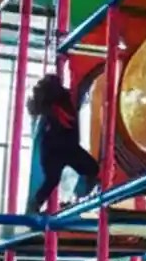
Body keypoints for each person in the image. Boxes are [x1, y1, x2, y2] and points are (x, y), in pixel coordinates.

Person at [26, 74, 99, 214]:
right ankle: (79, 197)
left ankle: (36, 207)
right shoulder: (59, 102)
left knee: (52, 180)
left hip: (56, 149)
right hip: (63, 148)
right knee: (90, 170)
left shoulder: (50, 106)